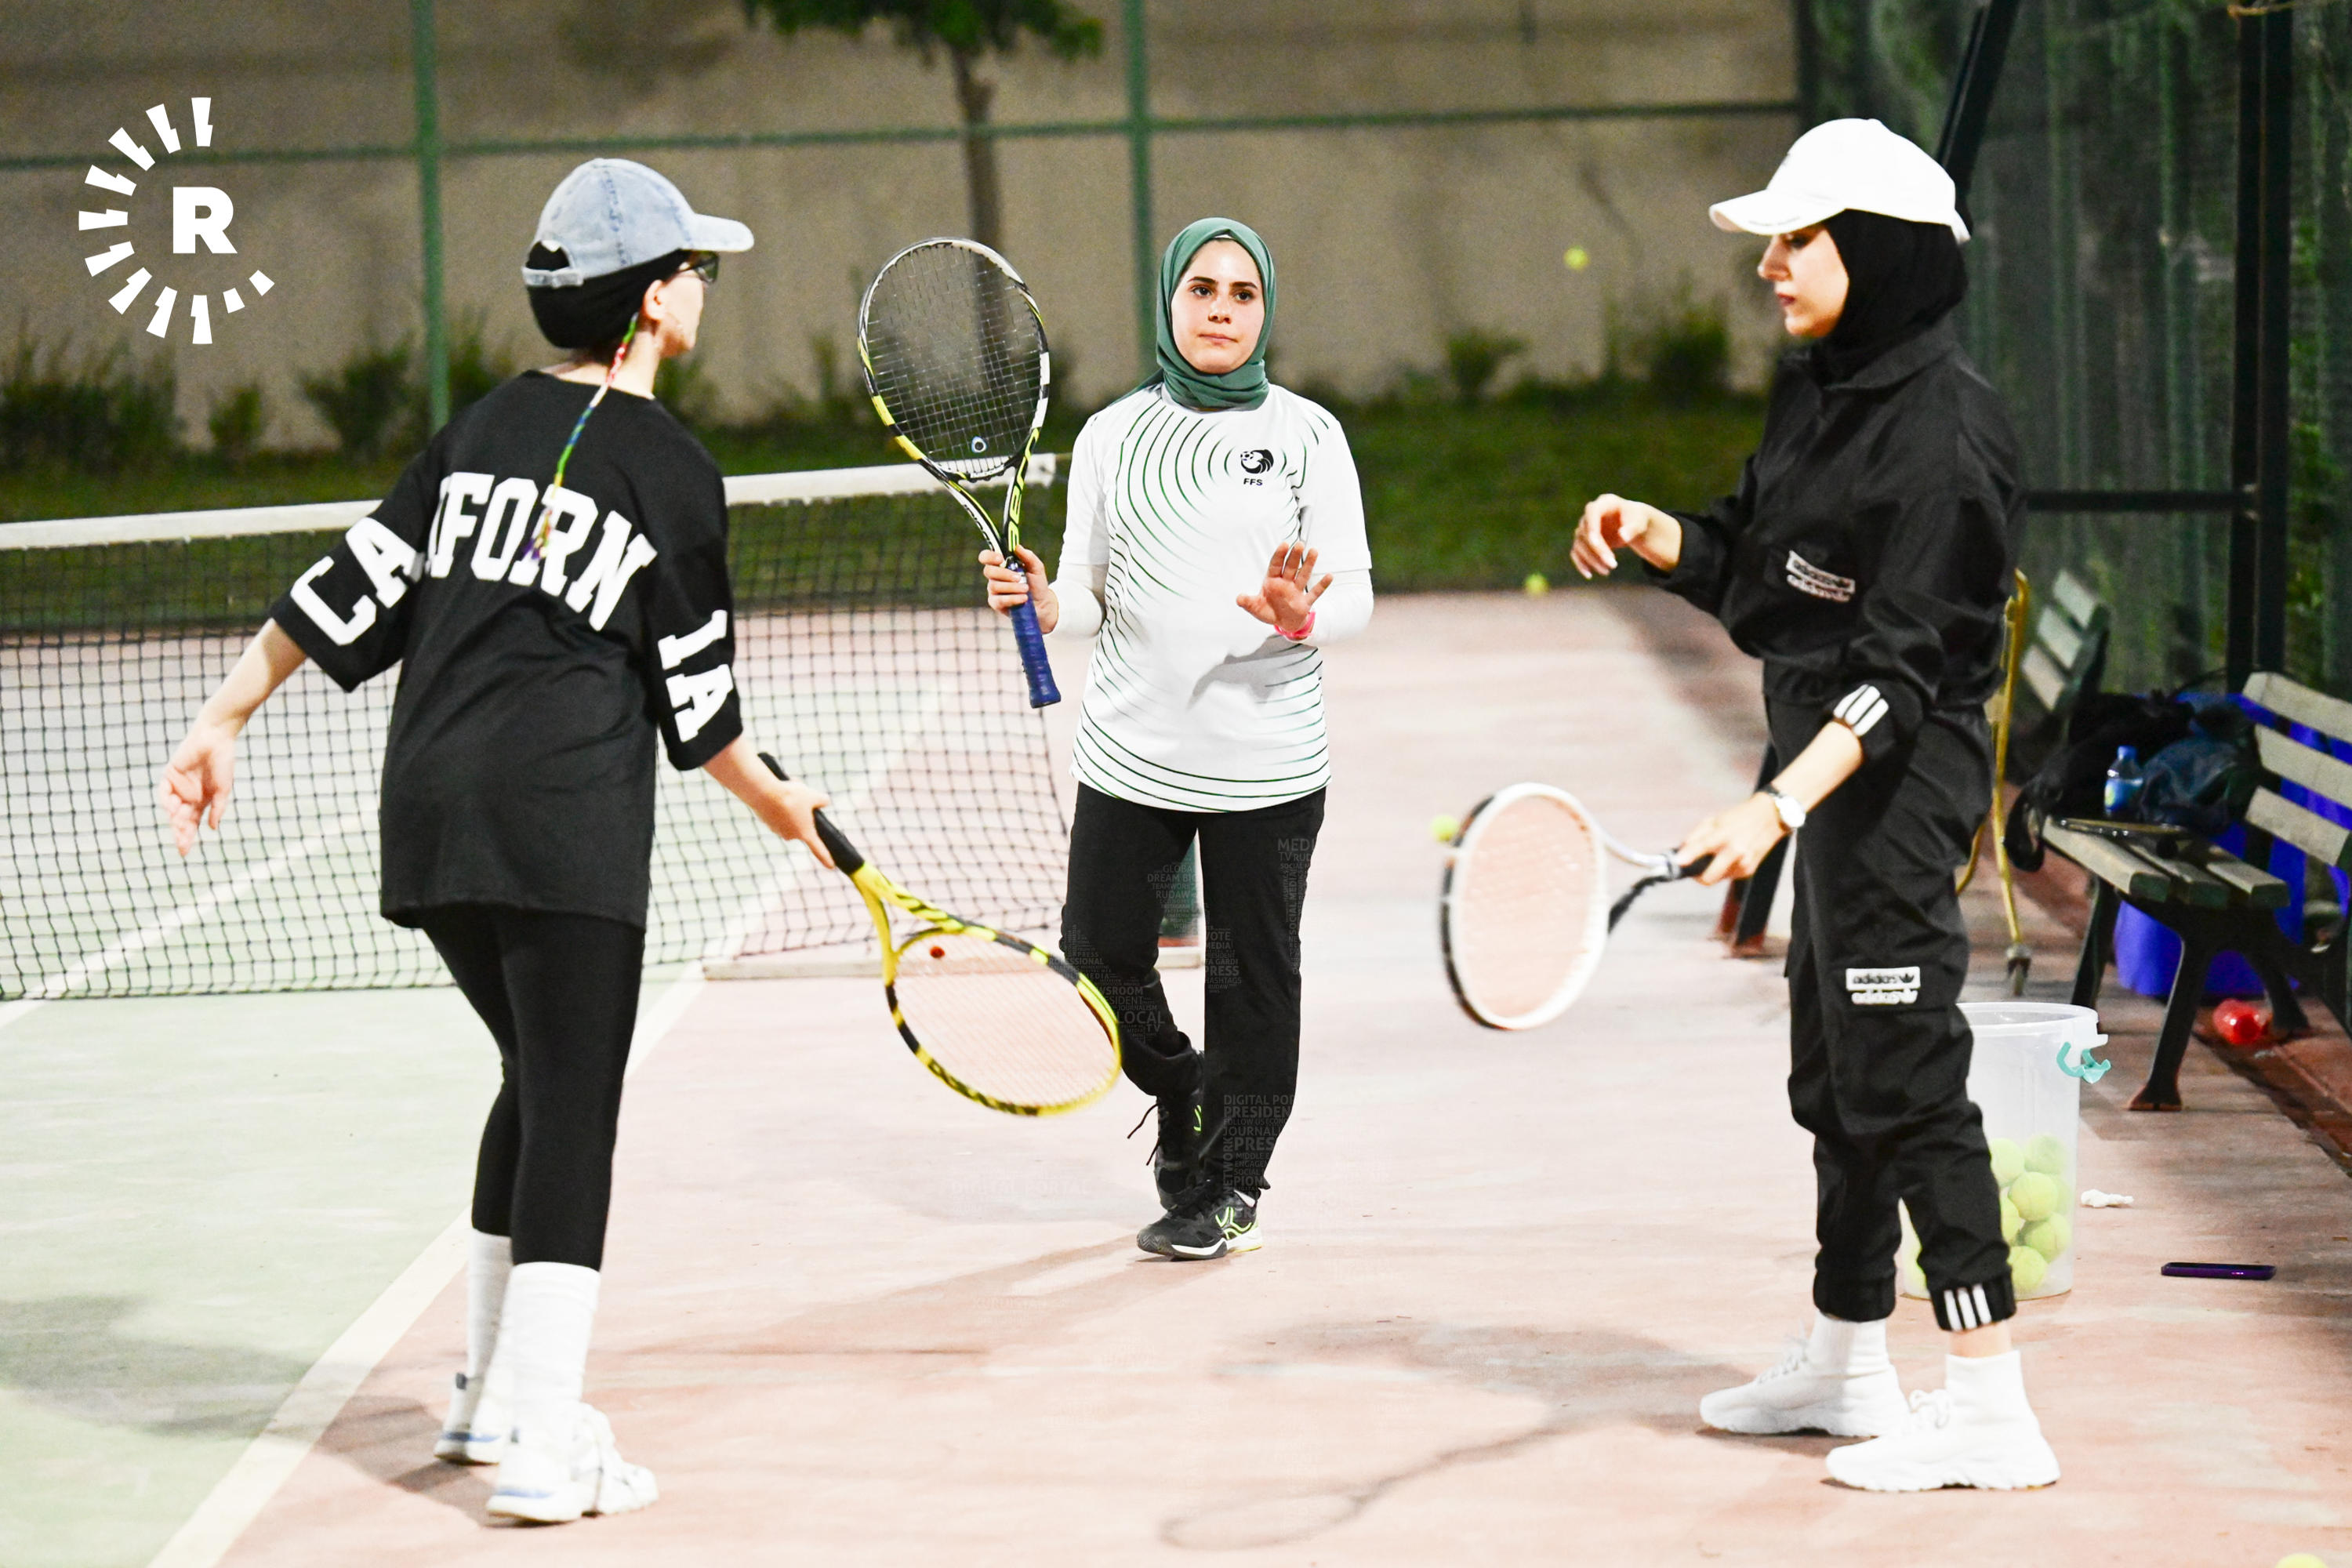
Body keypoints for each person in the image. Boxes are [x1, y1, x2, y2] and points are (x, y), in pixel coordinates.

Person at [157, 158, 832, 1524]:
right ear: (648, 302)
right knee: (578, 1104)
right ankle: (541, 1438)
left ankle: (478, 1398)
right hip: (564, 824)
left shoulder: (475, 433)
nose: (707, 286)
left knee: (537, 1075)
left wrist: (221, 717)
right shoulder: (677, 475)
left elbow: (343, 590)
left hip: (432, 818)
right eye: (693, 268)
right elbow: (702, 724)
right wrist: (799, 817)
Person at [1571, 119, 2059, 1492]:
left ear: (1884, 254)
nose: (1772, 266)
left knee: (1905, 1080)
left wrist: (1777, 807)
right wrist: (1660, 535)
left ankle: (1990, 1403)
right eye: (1774, 241)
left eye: (1799, 239)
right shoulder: (1821, 392)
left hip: (1896, 791)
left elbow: (1903, 676)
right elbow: (1764, 577)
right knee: (1833, 1078)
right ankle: (1849, 1355)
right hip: (1820, 777)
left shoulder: (1951, 442)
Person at [981, 217, 1373, 1261]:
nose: (1221, 310)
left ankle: (1232, 1182)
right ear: (1170, 301)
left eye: (1243, 295)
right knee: (1099, 956)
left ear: (1265, 311)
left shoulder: (1307, 437)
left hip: (1271, 762)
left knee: (1254, 977)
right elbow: (1089, 589)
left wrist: (1300, 616)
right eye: (1203, 289)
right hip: (1132, 752)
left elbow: (1358, 595)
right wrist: (1042, 601)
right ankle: (1185, 1088)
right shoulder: (1113, 436)